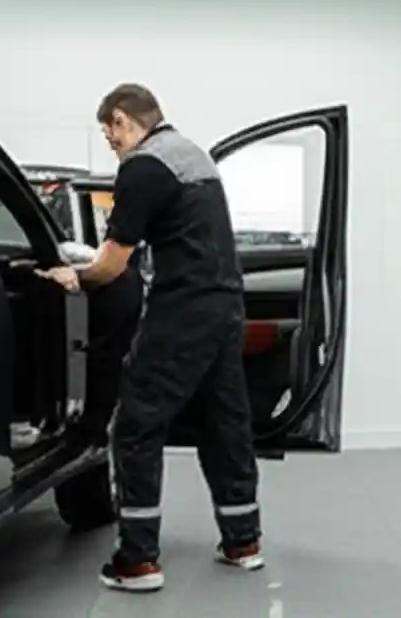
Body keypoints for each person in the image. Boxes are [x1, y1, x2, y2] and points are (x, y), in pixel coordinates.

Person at [37, 83, 262, 592]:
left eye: (108, 131)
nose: (109, 142)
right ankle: (243, 541)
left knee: (134, 426)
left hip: (181, 310)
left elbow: (112, 263)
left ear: (122, 120)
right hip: (225, 307)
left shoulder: (144, 166)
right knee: (224, 424)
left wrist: (74, 276)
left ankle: (137, 560)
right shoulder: (194, 156)